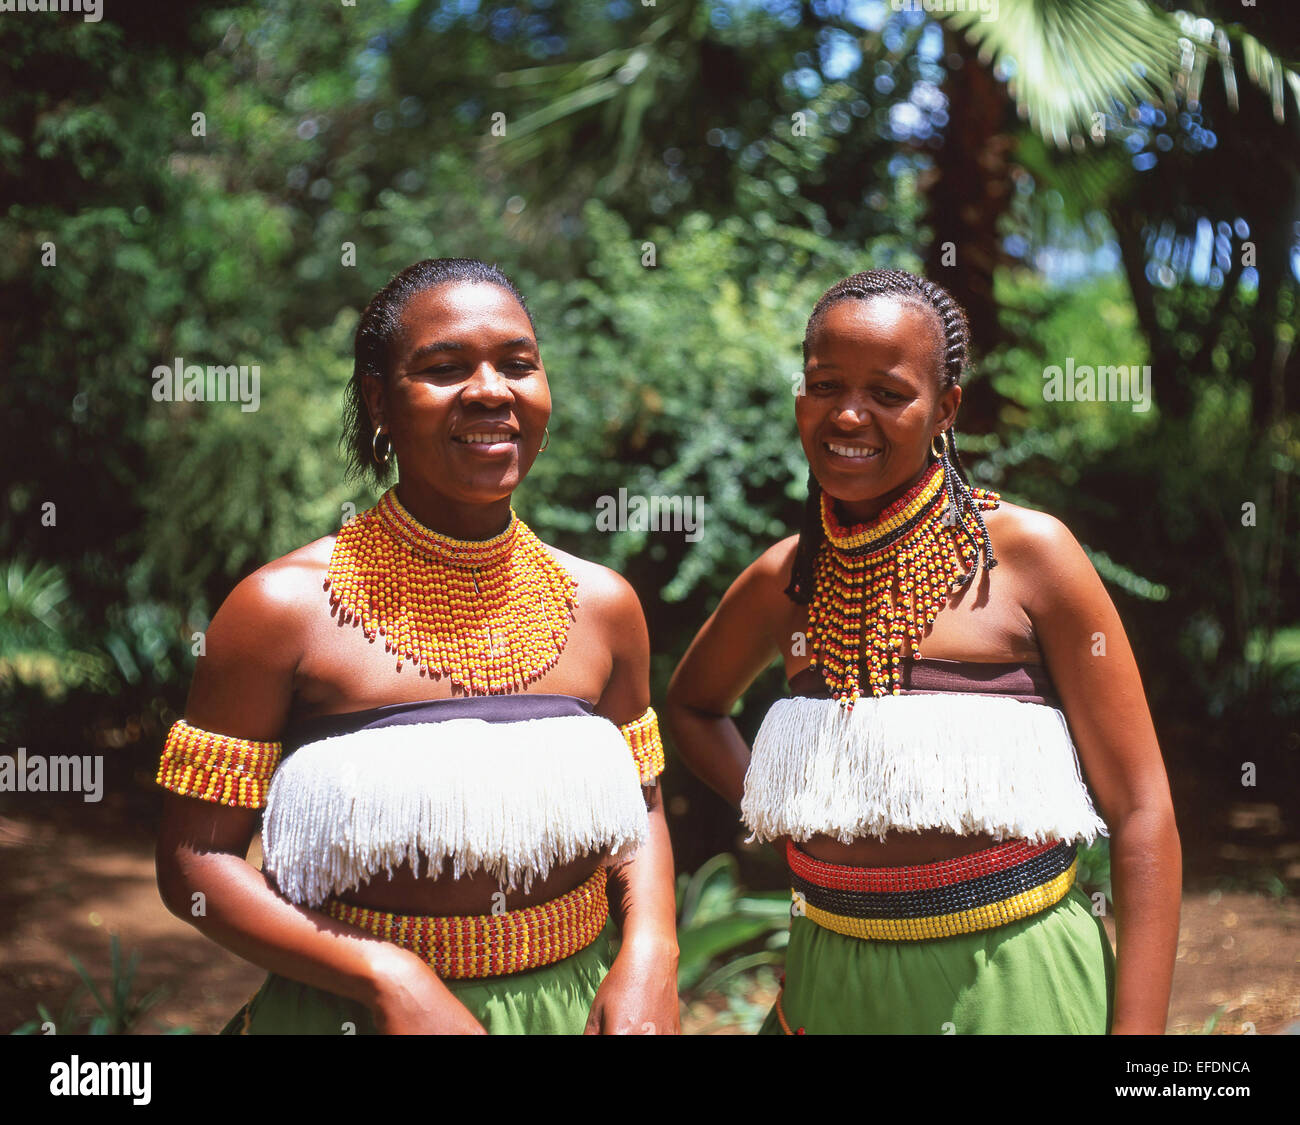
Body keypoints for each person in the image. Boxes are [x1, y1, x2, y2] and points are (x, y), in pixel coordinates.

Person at [154, 258, 680, 1034]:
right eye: (443, 368)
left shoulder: (603, 606)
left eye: (517, 365)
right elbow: (194, 862)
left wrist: (651, 950)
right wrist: (389, 976)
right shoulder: (280, 610)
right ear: (380, 401)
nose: (491, 390)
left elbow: (642, 807)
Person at [665, 268, 1180, 1034]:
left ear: (945, 409)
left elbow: (1143, 811)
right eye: (824, 384)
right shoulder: (785, 578)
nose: (848, 414)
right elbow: (691, 704)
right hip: (830, 983)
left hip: (1012, 986)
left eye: (888, 392)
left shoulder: (1031, 555)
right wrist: (788, 804)